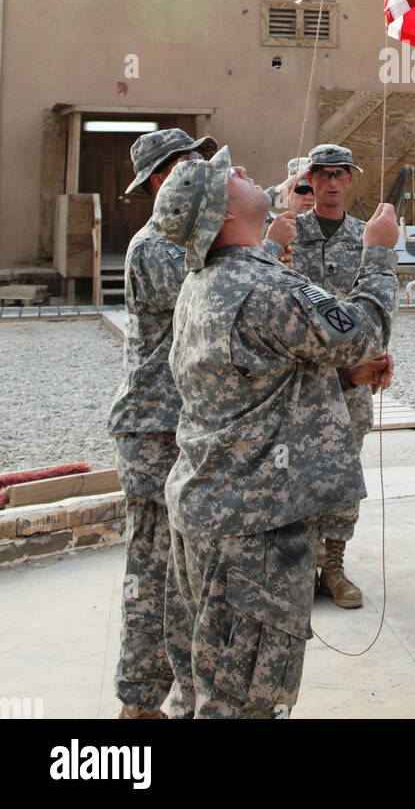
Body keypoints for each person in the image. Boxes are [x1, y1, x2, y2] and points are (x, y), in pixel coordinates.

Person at [152, 147, 398, 718]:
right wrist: (381, 254)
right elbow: (362, 331)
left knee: (205, 686)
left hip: (213, 512)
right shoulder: (261, 285)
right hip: (254, 532)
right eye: (229, 177)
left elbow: (259, 377)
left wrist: (334, 373)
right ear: (222, 215)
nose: (241, 171)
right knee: (247, 701)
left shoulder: (210, 278)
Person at [107, 127, 216, 719]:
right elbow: (214, 294)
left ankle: (176, 693)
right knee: (153, 572)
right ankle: (139, 703)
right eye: (189, 165)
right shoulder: (156, 248)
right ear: (161, 180)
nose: (203, 172)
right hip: (153, 431)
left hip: (175, 427)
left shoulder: (184, 240)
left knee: (182, 571)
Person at [289, 143, 373, 608]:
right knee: (296, 471)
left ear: (350, 179)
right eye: (324, 175)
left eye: (341, 174)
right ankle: (299, 565)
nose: (333, 183)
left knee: (343, 472)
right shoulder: (286, 235)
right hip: (298, 378)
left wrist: (376, 358)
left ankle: (333, 566)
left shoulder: (365, 237)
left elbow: (376, 303)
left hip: (351, 379)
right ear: (311, 180)